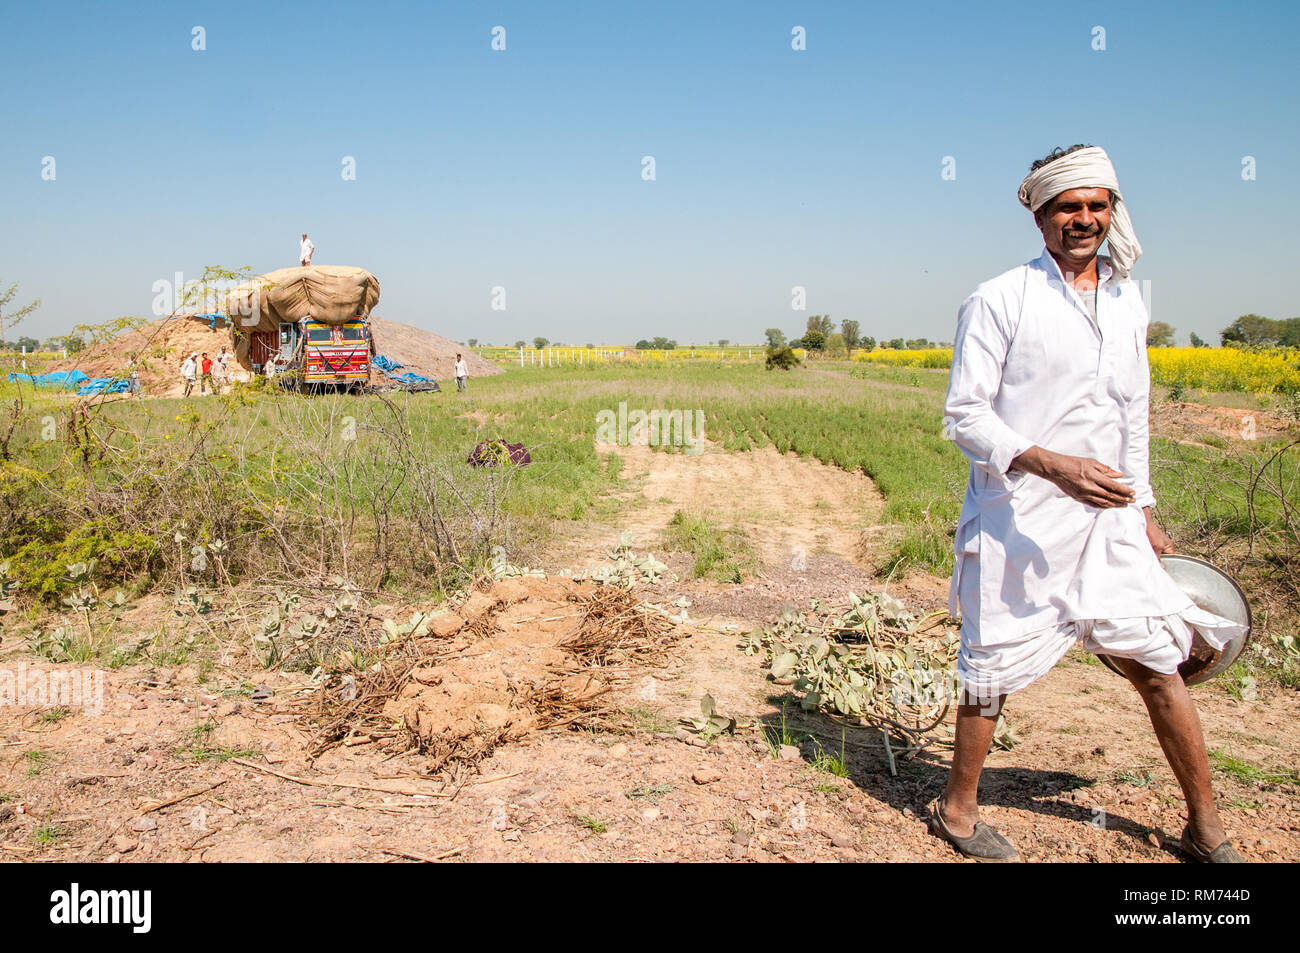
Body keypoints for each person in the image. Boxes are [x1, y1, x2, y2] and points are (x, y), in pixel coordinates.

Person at [932, 145, 1246, 863]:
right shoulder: (1000, 298)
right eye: (1069, 207)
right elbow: (965, 415)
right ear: (1041, 217)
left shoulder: (1129, 299)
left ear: (1112, 211)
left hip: (1108, 519)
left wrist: (1142, 506)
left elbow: (1130, 410)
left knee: (1157, 660)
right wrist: (1050, 463)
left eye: (1097, 206)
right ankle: (956, 809)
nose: (1085, 219)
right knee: (992, 670)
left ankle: (1207, 828)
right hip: (1019, 518)